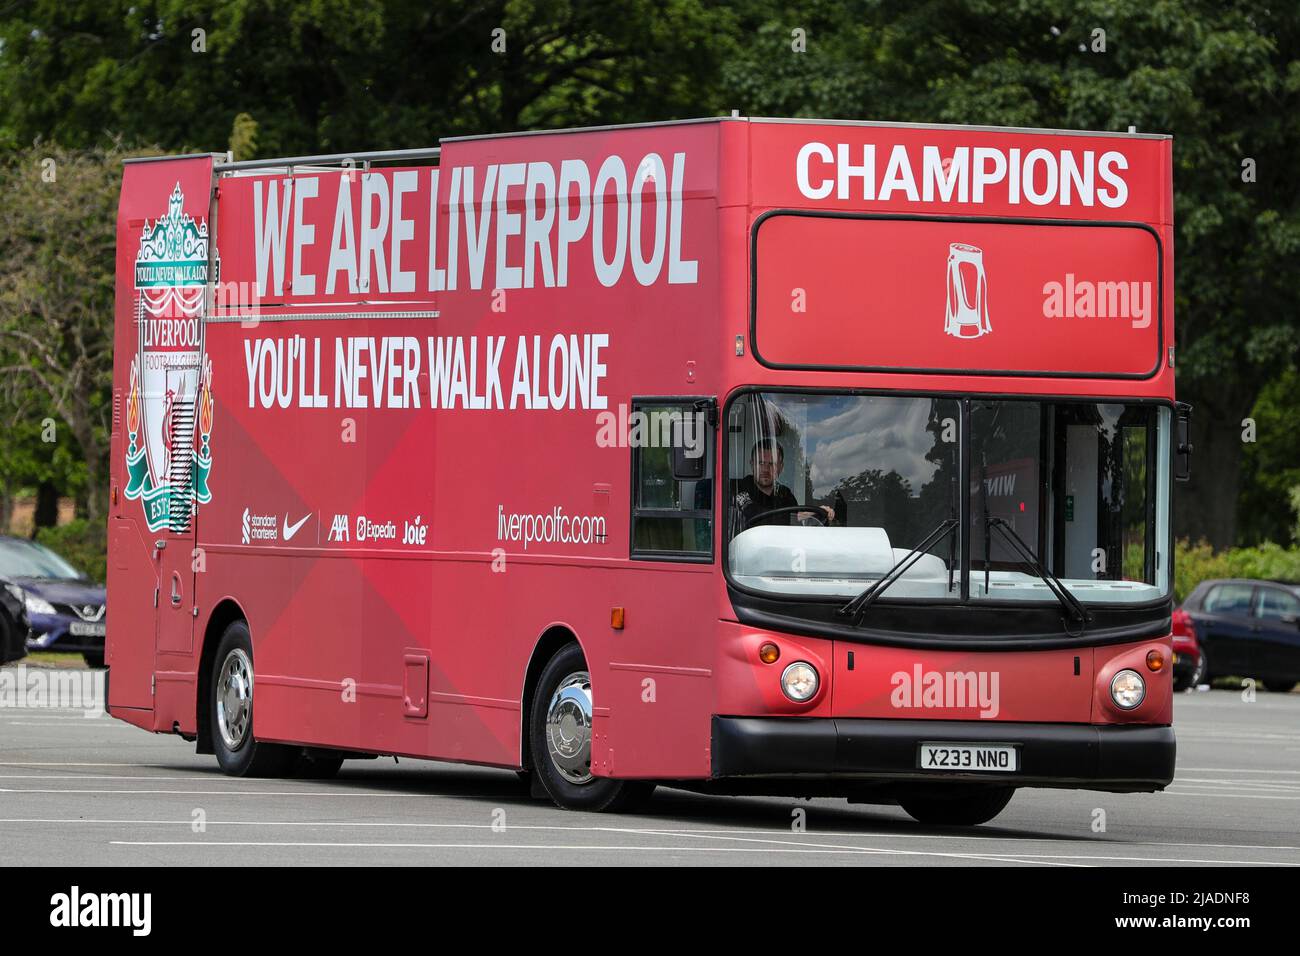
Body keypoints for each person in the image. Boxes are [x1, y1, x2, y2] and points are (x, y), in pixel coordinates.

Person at [731, 438, 835, 528]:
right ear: (752, 464)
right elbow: (754, 517)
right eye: (761, 463)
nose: (766, 469)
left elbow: (796, 526)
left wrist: (820, 514)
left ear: (781, 467)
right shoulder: (739, 488)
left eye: (772, 464)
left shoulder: (784, 493)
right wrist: (802, 515)